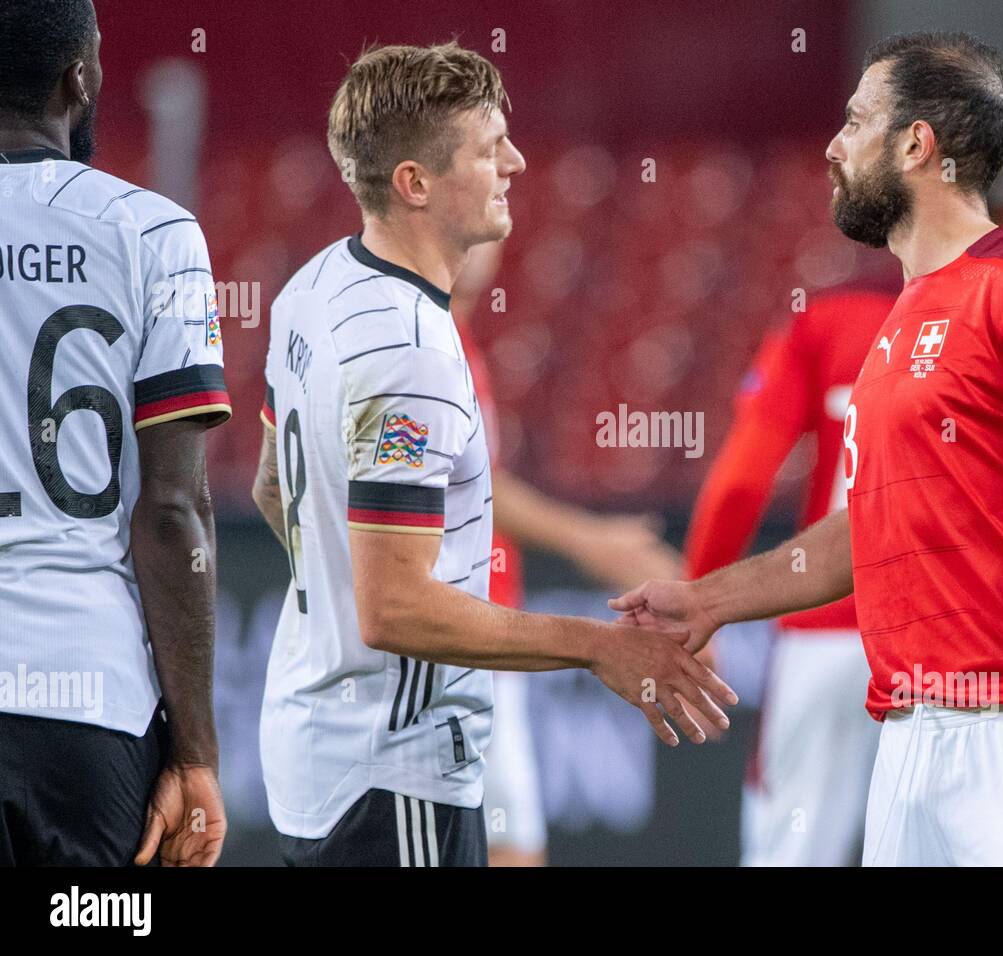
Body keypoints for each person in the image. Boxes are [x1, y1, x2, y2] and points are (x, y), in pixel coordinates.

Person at [612, 31, 1003, 866]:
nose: (835, 146)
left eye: (855, 120)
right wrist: (712, 599)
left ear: (917, 144)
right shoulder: (902, 315)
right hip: (907, 737)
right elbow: (870, 524)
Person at [251, 41, 734, 867]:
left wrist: (340, 593)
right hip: (391, 767)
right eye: (488, 149)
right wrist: (598, 644)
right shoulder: (413, 350)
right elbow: (395, 609)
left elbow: (272, 487)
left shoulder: (315, 285)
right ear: (415, 183)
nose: (513, 163)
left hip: (319, 746)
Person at [0, 0, 229, 866]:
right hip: (88, 714)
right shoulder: (155, 234)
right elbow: (172, 513)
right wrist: (197, 754)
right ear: (79, 79)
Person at [451, 241, 683, 867]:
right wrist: (591, 541)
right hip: (449, 633)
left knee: (508, 846)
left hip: (478, 630)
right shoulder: (422, 335)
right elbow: (467, 482)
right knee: (506, 848)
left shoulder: (456, 340)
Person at [683, 287, 894, 866]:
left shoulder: (829, 320)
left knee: (792, 851)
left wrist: (701, 597)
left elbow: (742, 481)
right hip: (943, 640)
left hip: (824, 634)